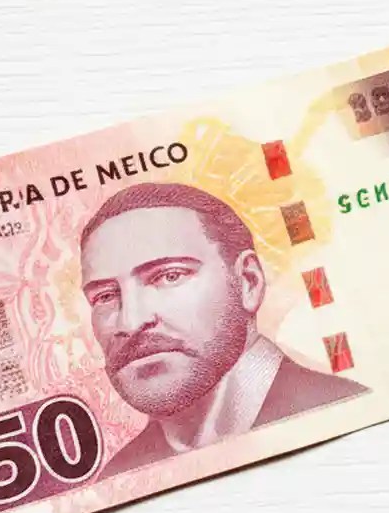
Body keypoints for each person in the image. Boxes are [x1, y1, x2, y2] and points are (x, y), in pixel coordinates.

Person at [79, 182, 367, 477]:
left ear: (248, 282)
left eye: (170, 276)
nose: (131, 321)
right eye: (104, 296)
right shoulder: (119, 476)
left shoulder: (351, 411)